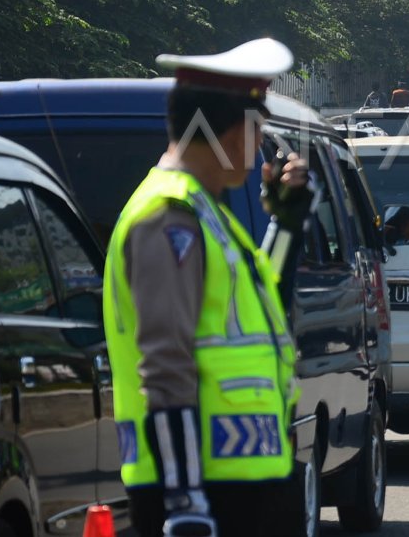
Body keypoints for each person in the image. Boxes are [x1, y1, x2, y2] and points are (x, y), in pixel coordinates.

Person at [104, 38, 310, 537]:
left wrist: (285, 223)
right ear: (226, 131)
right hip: (202, 494)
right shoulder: (168, 216)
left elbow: (263, 313)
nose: (261, 145)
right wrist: (185, 501)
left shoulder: (206, 212)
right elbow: (165, 362)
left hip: (245, 482)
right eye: (257, 129)